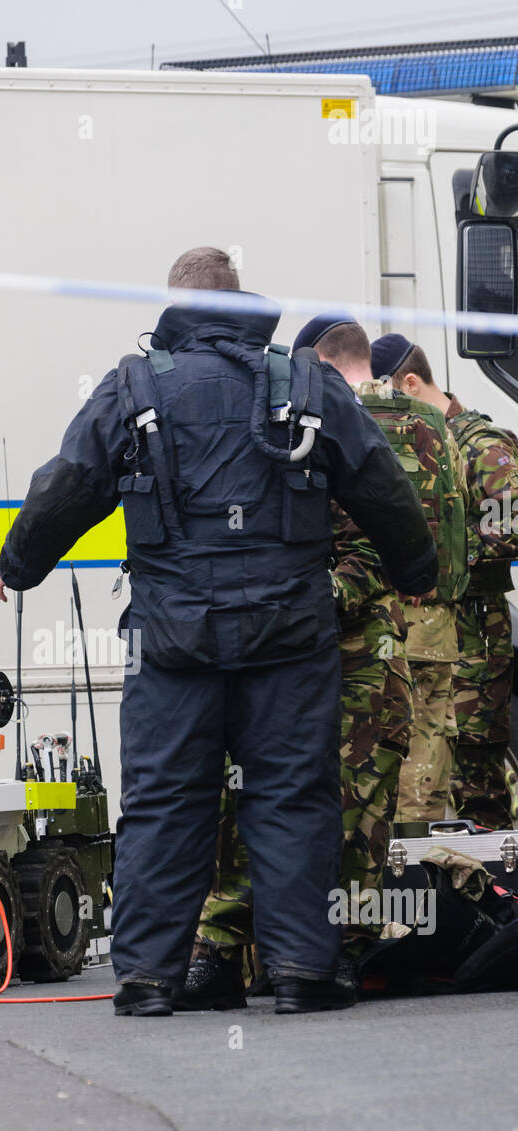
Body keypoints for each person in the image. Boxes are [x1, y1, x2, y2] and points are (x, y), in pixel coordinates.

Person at [0, 249, 436, 1016]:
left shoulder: (133, 385)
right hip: (290, 632)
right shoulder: (303, 381)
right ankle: (300, 970)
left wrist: (18, 564)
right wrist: (415, 569)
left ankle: (146, 978)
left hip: (171, 638)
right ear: (241, 302)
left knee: (165, 800)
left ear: (173, 304)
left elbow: (66, 483)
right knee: (294, 796)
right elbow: (380, 482)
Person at [184, 316, 422, 1011]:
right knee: (238, 799)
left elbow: (380, 549)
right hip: (266, 657)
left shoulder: (347, 429)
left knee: (350, 806)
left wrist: (303, 601)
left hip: (352, 658)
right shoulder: (248, 431)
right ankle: (222, 950)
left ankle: (333, 954)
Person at [371, 334, 518, 829]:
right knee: (416, 768)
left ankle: (490, 895)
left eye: (392, 391)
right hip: (427, 636)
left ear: (410, 382)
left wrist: (436, 560)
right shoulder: (416, 440)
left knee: (476, 780)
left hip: (476, 640)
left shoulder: (484, 445)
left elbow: (511, 529)